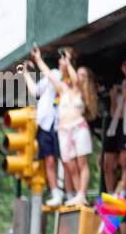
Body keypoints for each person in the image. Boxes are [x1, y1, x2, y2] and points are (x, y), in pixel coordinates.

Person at [32, 46, 97, 205]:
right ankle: (77, 196)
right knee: (69, 164)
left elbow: (76, 80)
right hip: (63, 131)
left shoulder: (80, 90)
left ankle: (81, 193)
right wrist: (38, 59)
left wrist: (67, 62)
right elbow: (48, 74)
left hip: (77, 128)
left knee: (81, 163)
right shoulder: (64, 89)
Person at [22, 54, 62, 206]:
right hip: (44, 125)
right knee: (49, 161)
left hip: (57, 123)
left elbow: (49, 74)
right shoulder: (46, 80)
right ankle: (55, 193)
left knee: (61, 160)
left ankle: (67, 192)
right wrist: (26, 74)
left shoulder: (56, 74)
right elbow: (34, 91)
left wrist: (37, 60)